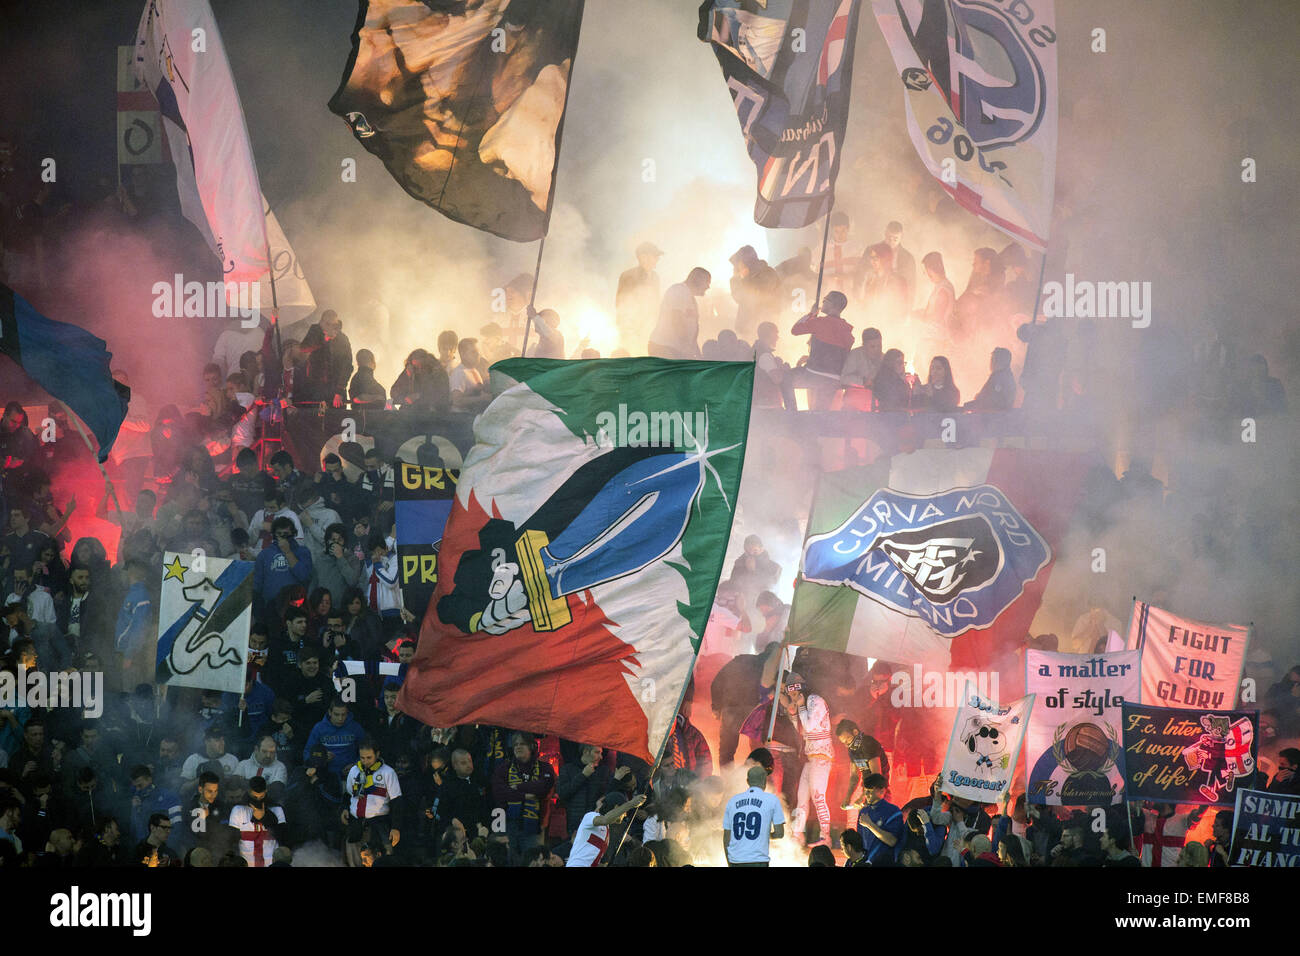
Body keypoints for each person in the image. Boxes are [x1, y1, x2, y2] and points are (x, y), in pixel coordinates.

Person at [781, 672, 833, 846]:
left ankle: (825, 836)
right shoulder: (806, 702)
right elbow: (802, 731)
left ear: (801, 688)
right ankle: (798, 834)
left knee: (818, 797)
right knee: (801, 796)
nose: (793, 697)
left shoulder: (815, 701)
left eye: (794, 693)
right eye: (791, 694)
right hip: (812, 758)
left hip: (822, 758)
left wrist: (801, 707)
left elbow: (809, 727)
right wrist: (793, 714)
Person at [491, 732, 555, 862]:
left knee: (535, 861)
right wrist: (526, 795)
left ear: (532, 746)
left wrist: (518, 787)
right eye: (515, 744)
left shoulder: (545, 768)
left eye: (522, 744)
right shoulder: (503, 768)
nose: (518, 747)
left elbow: (544, 787)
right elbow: (499, 793)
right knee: (508, 861)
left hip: (534, 826)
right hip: (506, 824)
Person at [790, 291, 854, 409]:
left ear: (832, 305)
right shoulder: (846, 330)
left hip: (813, 374)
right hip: (833, 379)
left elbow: (795, 330)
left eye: (824, 301)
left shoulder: (820, 322)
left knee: (786, 378)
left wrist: (811, 314)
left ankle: (791, 411)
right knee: (820, 412)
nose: (822, 303)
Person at [343, 739, 402, 865]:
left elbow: (397, 801)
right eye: (362, 758)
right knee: (355, 861)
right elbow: (348, 794)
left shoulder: (388, 773)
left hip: (379, 824)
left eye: (369, 757)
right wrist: (344, 809)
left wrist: (396, 827)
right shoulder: (354, 771)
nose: (365, 761)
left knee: (381, 859)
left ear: (378, 754)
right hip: (356, 824)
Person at [722, 765, 785, 867]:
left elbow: (726, 838)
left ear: (748, 781)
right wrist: (768, 835)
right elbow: (780, 833)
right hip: (758, 861)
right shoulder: (772, 800)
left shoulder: (732, 801)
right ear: (765, 781)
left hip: (735, 861)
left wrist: (730, 863)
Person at [566, 790, 647, 867]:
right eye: (624, 811)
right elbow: (605, 819)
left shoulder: (606, 829)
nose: (625, 815)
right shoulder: (590, 816)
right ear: (616, 807)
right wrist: (631, 804)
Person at [649, 267, 709, 359]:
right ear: (698, 280)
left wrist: (697, 354)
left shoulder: (691, 299)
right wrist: (687, 348)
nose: (708, 286)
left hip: (676, 349)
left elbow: (692, 333)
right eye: (707, 282)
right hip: (663, 347)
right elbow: (676, 320)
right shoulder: (678, 290)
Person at [227, 775, 286, 867]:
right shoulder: (238, 810)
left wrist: (264, 818)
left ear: (266, 791)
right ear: (249, 792)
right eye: (255, 797)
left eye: (261, 796)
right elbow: (231, 841)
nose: (258, 800)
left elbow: (283, 837)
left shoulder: (276, 809)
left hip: (271, 863)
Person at [836, 719, 889, 811]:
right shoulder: (852, 749)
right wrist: (848, 797)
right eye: (843, 742)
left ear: (855, 732)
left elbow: (876, 775)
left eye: (847, 739)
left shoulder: (868, 743)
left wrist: (863, 797)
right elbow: (854, 776)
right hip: (867, 790)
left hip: (879, 791)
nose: (846, 745)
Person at [729, 245, 781, 337]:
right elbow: (738, 297)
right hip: (745, 327)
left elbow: (760, 292)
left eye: (739, 264)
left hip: (766, 328)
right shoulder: (739, 277)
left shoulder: (768, 273)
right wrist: (737, 279)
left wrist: (745, 278)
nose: (737, 268)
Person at [615, 241, 662, 340]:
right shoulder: (629, 276)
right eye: (655, 256)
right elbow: (621, 304)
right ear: (643, 257)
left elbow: (656, 302)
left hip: (649, 328)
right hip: (632, 329)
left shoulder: (655, 277)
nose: (657, 259)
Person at [855, 772, 903, 865]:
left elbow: (892, 841)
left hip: (884, 862)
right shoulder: (864, 812)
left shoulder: (893, 811)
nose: (867, 795)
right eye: (866, 791)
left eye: (870, 791)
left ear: (882, 791)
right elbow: (860, 840)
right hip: (865, 862)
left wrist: (870, 825)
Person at [883, 221, 916, 308]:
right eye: (889, 237)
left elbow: (912, 285)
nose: (891, 242)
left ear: (901, 237)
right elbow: (861, 277)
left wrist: (909, 307)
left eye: (895, 239)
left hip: (899, 303)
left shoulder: (908, 258)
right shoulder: (872, 251)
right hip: (875, 299)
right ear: (885, 233)